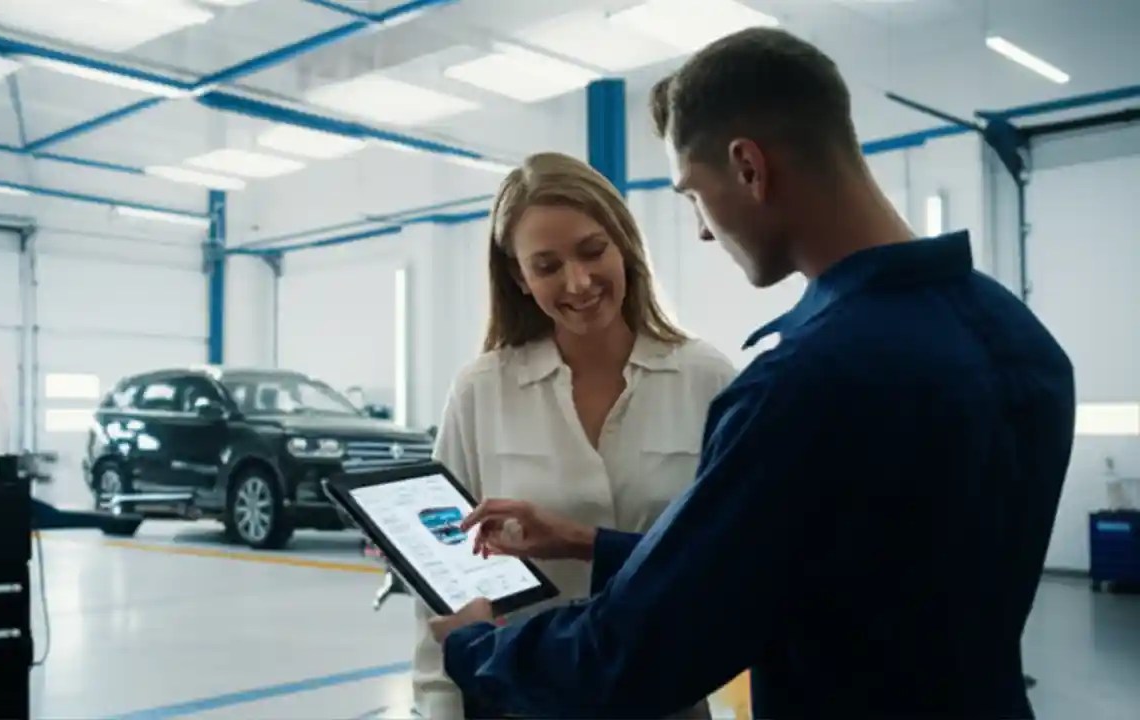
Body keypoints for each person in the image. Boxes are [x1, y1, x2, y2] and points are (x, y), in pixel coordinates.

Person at [426, 27, 1076, 719]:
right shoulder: (1022, 341)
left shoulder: (802, 385)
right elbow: (813, 564)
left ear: (747, 167)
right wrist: (586, 542)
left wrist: (473, 646)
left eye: (692, 194)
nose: (704, 230)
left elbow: (639, 649)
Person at [412, 151, 738, 719]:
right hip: (518, 702)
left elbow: (727, 564)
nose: (578, 282)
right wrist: (439, 709)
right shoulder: (481, 389)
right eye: (546, 265)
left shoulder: (705, 378)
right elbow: (440, 577)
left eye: (592, 252)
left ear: (625, 244)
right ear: (518, 275)